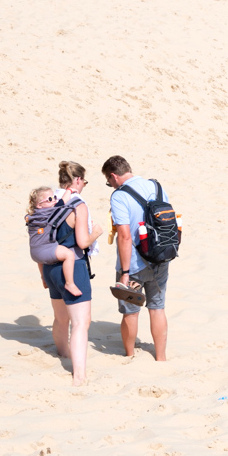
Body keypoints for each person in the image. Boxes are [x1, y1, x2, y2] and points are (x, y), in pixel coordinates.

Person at [104, 155, 173, 361]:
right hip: (160, 257)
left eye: (108, 181)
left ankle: (129, 355)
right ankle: (161, 357)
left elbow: (124, 236)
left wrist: (125, 272)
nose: (110, 185)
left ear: (114, 176)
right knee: (157, 309)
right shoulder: (156, 187)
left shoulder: (119, 196)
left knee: (131, 312)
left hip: (134, 263)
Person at [45, 162, 99, 385]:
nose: (84, 185)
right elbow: (82, 242)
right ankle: (79, 375)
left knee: (61, 318)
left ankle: (63, 354)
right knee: (80, 323)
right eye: (84, 181)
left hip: (50, 266)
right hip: (74, 267)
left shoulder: (47, 202)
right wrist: (96, 232)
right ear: (77, 180)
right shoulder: (78, 205)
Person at [24, 186, 83, 298]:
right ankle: (69, 283)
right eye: (50, 199)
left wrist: (69, 191)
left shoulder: (32, 216)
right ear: (39, 205)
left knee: (41, 260)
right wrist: (71, 194)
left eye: (55, 197)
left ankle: (44, 278)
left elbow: (60, 202)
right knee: (69, 255)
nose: (55, 201)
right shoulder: (50, 212)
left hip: (35, 253)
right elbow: (64, 204)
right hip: (47, 249)